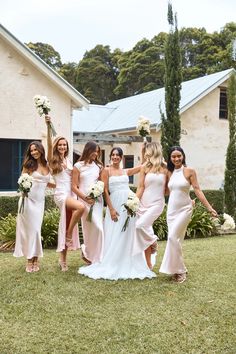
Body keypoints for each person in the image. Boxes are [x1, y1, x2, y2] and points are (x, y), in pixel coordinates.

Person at [78, 146, 156, 280]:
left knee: (129, 232)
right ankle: (113, 260)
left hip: (128, 204)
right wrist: (111, 209)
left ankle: (130, 259)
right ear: (110, 156)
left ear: (121, 157)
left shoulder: (125, 171)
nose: (115, 157)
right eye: (113, 155)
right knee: (115, 231)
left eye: (117, 155)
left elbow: (142, 166)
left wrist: (143, 150)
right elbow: (105, 191)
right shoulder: (106, 170)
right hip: (115, 203)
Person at [159, 146, 218, 283]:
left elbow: (197, 190)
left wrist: (209, 208)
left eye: (179, 156)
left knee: (173, 237)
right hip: (172, 210)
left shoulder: (190, 171)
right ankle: (176, 269)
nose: (176, 159)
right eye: (173, 156)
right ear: (170, 158)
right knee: (174, 239)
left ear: (183, 156)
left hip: (185, 209)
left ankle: (181, 271)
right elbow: (167, 190)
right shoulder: (169, 172)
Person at [46, 116, 85, 272]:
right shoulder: (53, 159)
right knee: (80, 208)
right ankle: (69, 234)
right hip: (61, 195)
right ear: (57, 146)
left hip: (71, 194)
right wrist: (48, 126)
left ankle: (63, 260)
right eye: (60, 145)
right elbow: (48, 145)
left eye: (64, 145)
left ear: (67, 147)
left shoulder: (69, 160)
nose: (62, 147)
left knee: (66, 221)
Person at [14, 141, 54, 272]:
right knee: (31, 231)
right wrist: (23, 190)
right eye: (31, 151)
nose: (34, 152)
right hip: (27, 201)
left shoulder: (47, 165)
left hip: (39, 203)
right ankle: (30, 260)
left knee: (37, 230)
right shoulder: (29, 164)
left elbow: (49, 183)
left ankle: (36, 258)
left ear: (41, 150)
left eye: (36, 150)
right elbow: (22, 181)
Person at [134, 142, 167, 270]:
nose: (146, 154)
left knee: (140, 226)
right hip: (143, 203)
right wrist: (134, 202)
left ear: (154, 151)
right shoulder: (145, 167)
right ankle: (148, 263)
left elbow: (170, 187)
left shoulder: (165, 168)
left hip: (157, 204)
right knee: (145, 230)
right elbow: (141, 187)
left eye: (147, 151)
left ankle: (153, 241)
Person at [72, 141, 104, 264]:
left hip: (97, 201)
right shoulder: (78, 166)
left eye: (97, 151)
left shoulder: (99, 167)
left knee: (99, 228)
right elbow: (74, 187)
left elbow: (101, 184)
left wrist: (96, 194)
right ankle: (87, 252)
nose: (95, 154)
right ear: (87, 150)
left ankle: (99, 257)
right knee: (88, 228)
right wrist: (85, 198)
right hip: (84, 201)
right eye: (94, 151)